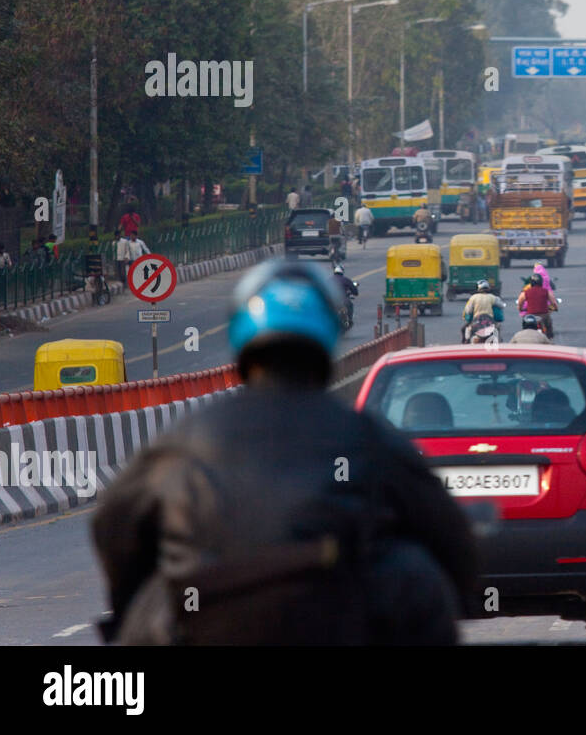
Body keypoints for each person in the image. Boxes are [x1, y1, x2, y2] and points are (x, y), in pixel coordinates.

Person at [90, 258, 477, 644]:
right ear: (326, 338)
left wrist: (139, 601)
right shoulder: (369, 438)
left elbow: (113, 528)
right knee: (415, 572)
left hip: (206, 622)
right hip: (339, 624)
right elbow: (449, 535)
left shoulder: (183, 443)